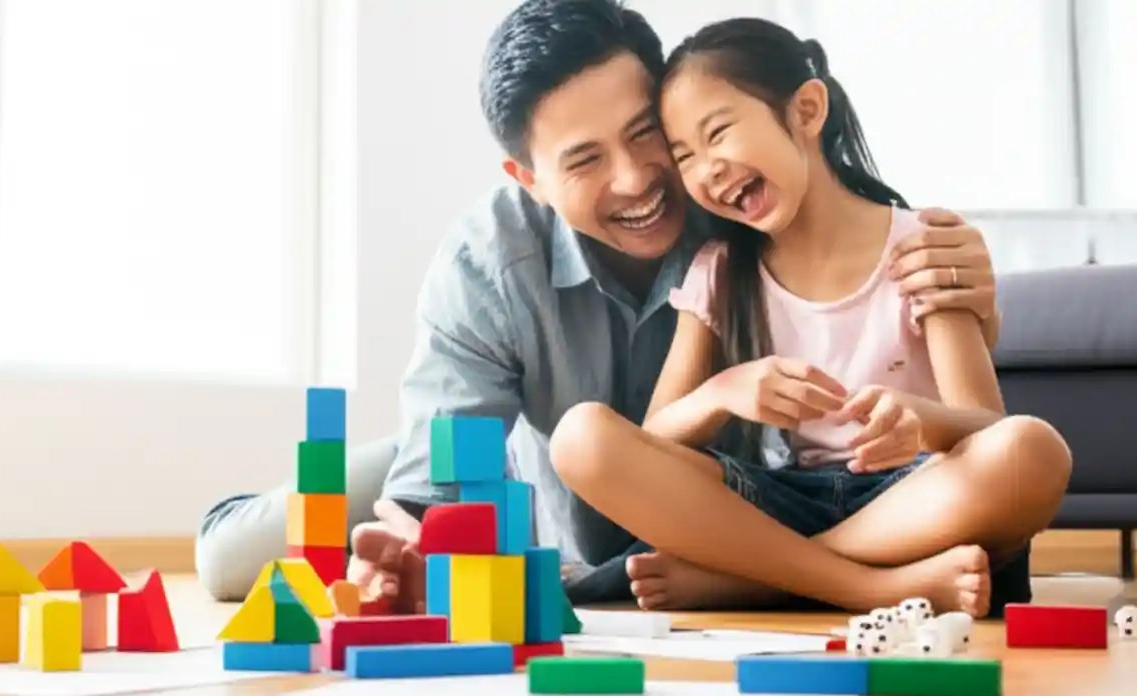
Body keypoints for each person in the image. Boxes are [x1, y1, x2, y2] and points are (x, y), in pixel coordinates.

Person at [194, 0, 1007, 611]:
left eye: (650, 132)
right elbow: (446, 497)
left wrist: (969, 291)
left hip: (721, 498)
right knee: (238, 561)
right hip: (527, 464)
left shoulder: (735, 196)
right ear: (530, 181)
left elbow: (853, 248)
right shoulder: (488, 263)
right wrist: (415, 544)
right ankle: (363, 469)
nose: (638, 179)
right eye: (585, 160)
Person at [547, 17, 1072, 617]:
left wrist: (919, 423)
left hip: (912, 497)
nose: (706, 169)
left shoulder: (922, 247)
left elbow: (987, 427)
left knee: (1032, 449)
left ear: (807, 109)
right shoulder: (718, 270)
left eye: (718, 133)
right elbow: (655, 437)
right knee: (582, 437)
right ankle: (865, 586)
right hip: (782, 497)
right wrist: (725, 391)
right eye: (685, 156)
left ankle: (763, 580)